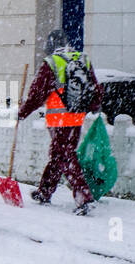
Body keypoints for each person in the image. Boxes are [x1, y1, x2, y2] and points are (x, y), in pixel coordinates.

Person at [17, 29, 102, 215]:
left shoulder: (52, 63)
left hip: (59, 118)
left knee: (65, 155)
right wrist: (94, 105)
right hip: (77, 115)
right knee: (60, 153)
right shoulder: (82, 59)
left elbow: (37, 95)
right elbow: (95, 88)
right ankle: (44, 191)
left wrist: (23, 112)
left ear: (50, 46)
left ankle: (84, 197)